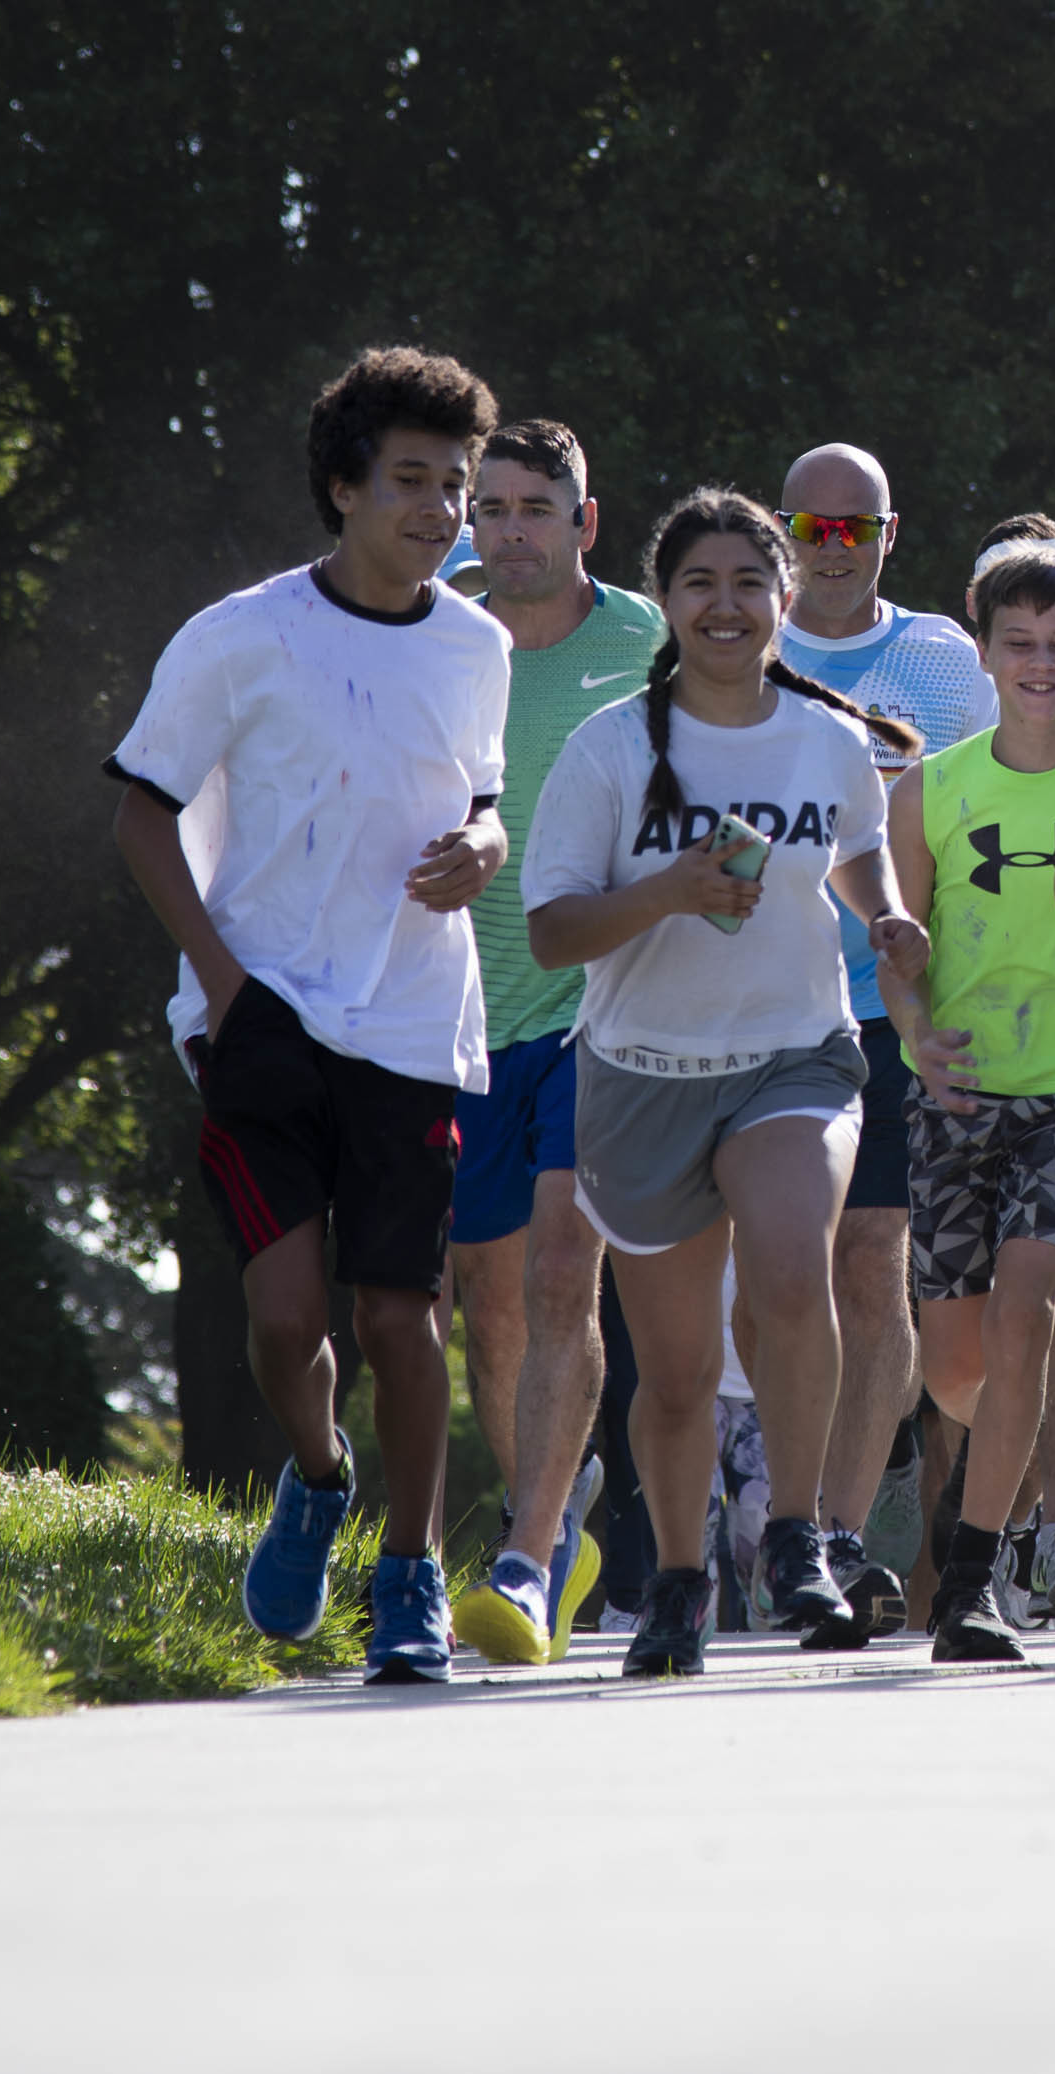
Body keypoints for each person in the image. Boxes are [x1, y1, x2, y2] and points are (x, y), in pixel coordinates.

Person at [107, 346, 510, 1685]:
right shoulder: (241, 635)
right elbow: (142, 812)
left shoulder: (478, 643)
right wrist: (224, 984)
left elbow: (482, 797)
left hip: (409, 1022)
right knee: (289, 1320)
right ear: (343, 487)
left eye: (456, 485)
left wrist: (485, 849)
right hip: (262, 1013)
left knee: (403, 1321)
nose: (441, 511)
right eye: (411, 481)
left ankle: (412, 1580)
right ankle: (321, 1476)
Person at [524, 487, 931, 1677]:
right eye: (699, 584)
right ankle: (677, 1580)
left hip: (792, 1053)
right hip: (641, 1074)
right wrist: (669, 891)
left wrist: (893, 920)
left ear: (783, 599)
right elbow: (552, 934)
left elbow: (857, 861)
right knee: (680, 1372)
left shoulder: (828, 738)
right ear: (666, 601)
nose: (725, 605)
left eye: (749, 584)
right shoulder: (607, 746)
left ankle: (798, 1535)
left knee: (796, 1263)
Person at [884, 538, 1055, 1660]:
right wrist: (913, 1037)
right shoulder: (930, 787)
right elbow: (900, 950)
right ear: (979, 650)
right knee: (956, 1367)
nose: (1041, 663)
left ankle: (977, 1580)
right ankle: (975, 1490)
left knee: (1032, 1304)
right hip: (957, 1097)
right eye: (1019, 644)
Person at [444, 420, 668, 1669]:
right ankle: (562, 1523)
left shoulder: (646, 638)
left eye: (538, 506)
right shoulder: (437, 636)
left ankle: (524, 1558)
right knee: (490, 1301)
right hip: (459, 1019)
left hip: (603, 1010)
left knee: (558, 1272)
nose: (510, 528)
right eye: (493, 506)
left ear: (586, 521)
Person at [773, 442, 998, 1633]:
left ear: (889, 535)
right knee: (782, 1277)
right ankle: (784, 1518)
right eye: (812, 529)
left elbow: (977, 815)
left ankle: (836, 1536)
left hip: (896, 1010)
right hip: (762, 1008)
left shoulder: (940, 661)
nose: (833, 550)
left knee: (872, 1260)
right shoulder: (739, 644)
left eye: (855, 529)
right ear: (781, 531)